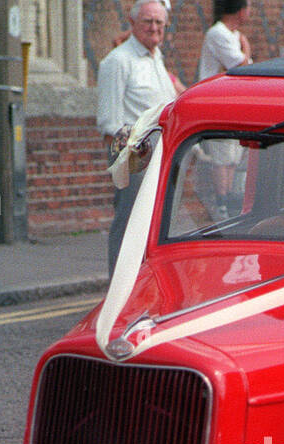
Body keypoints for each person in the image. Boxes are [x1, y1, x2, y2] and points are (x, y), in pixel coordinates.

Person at [97, 0, 179, 272]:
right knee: (129, 228)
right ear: (132, 24)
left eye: (159, 22)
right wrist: (131, 163)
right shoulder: (117, 62)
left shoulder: (156, 57)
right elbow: (110, 124)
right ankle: (117, 296)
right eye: (147, 21)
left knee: (154, 231)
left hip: (163, 157)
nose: (154, 28)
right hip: (136, 158)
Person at [197, 0, 252, 219]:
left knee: (232, 157)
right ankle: (221, 204)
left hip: (232, 103)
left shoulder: (232, 34)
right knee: (222, 157)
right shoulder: (218, 33)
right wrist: (246, 47)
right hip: (216, 103)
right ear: (240, 10)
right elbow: (241, 66)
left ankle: (227, 202)